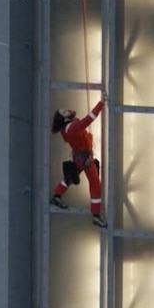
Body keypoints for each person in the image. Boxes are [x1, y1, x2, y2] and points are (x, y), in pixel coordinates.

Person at [50, 95, 107, 228]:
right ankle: (96, 215)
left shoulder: (68, 128)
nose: (66, 109)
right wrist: (101, 103)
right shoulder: (72, 127)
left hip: (80, 156)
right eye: (64, 111)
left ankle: (57, 195)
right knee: (95, 184)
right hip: (84, 158)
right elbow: (88, 119)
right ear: (65, 118)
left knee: (70, 177)